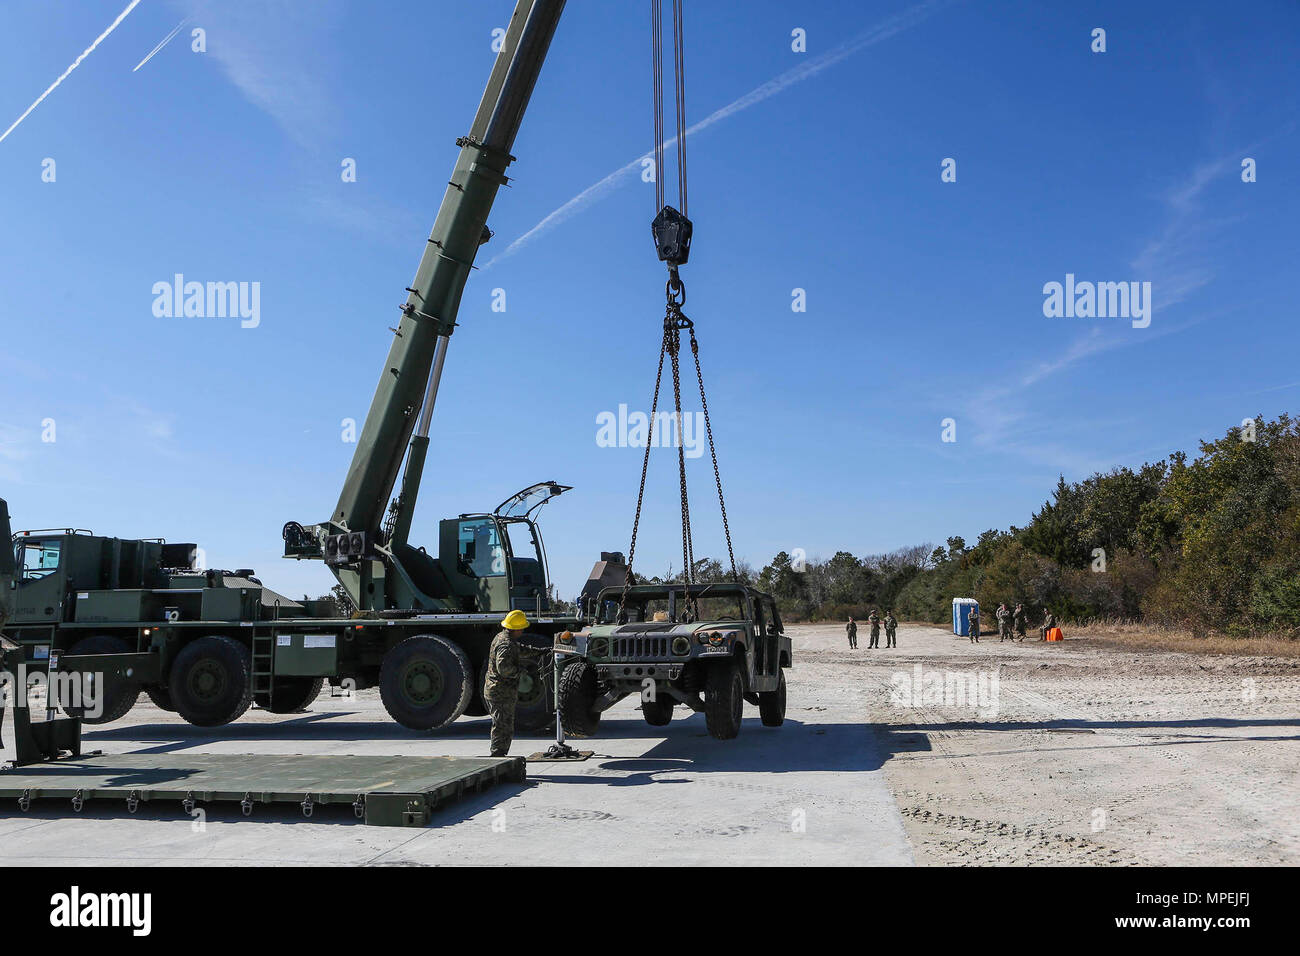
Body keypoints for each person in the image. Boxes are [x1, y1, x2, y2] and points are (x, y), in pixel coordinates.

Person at [484, 609, 529, 756]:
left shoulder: (502, 638)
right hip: (500, 692)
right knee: (502, 725)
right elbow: (503, 668)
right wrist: (519, 671)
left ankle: (500, 754)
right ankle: (497, 755)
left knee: (504, 725)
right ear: (515, 629)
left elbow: (519, 650)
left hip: (499, 691)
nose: (522, 631)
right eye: (521, 628)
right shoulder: (505, 644)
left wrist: (539, 651)